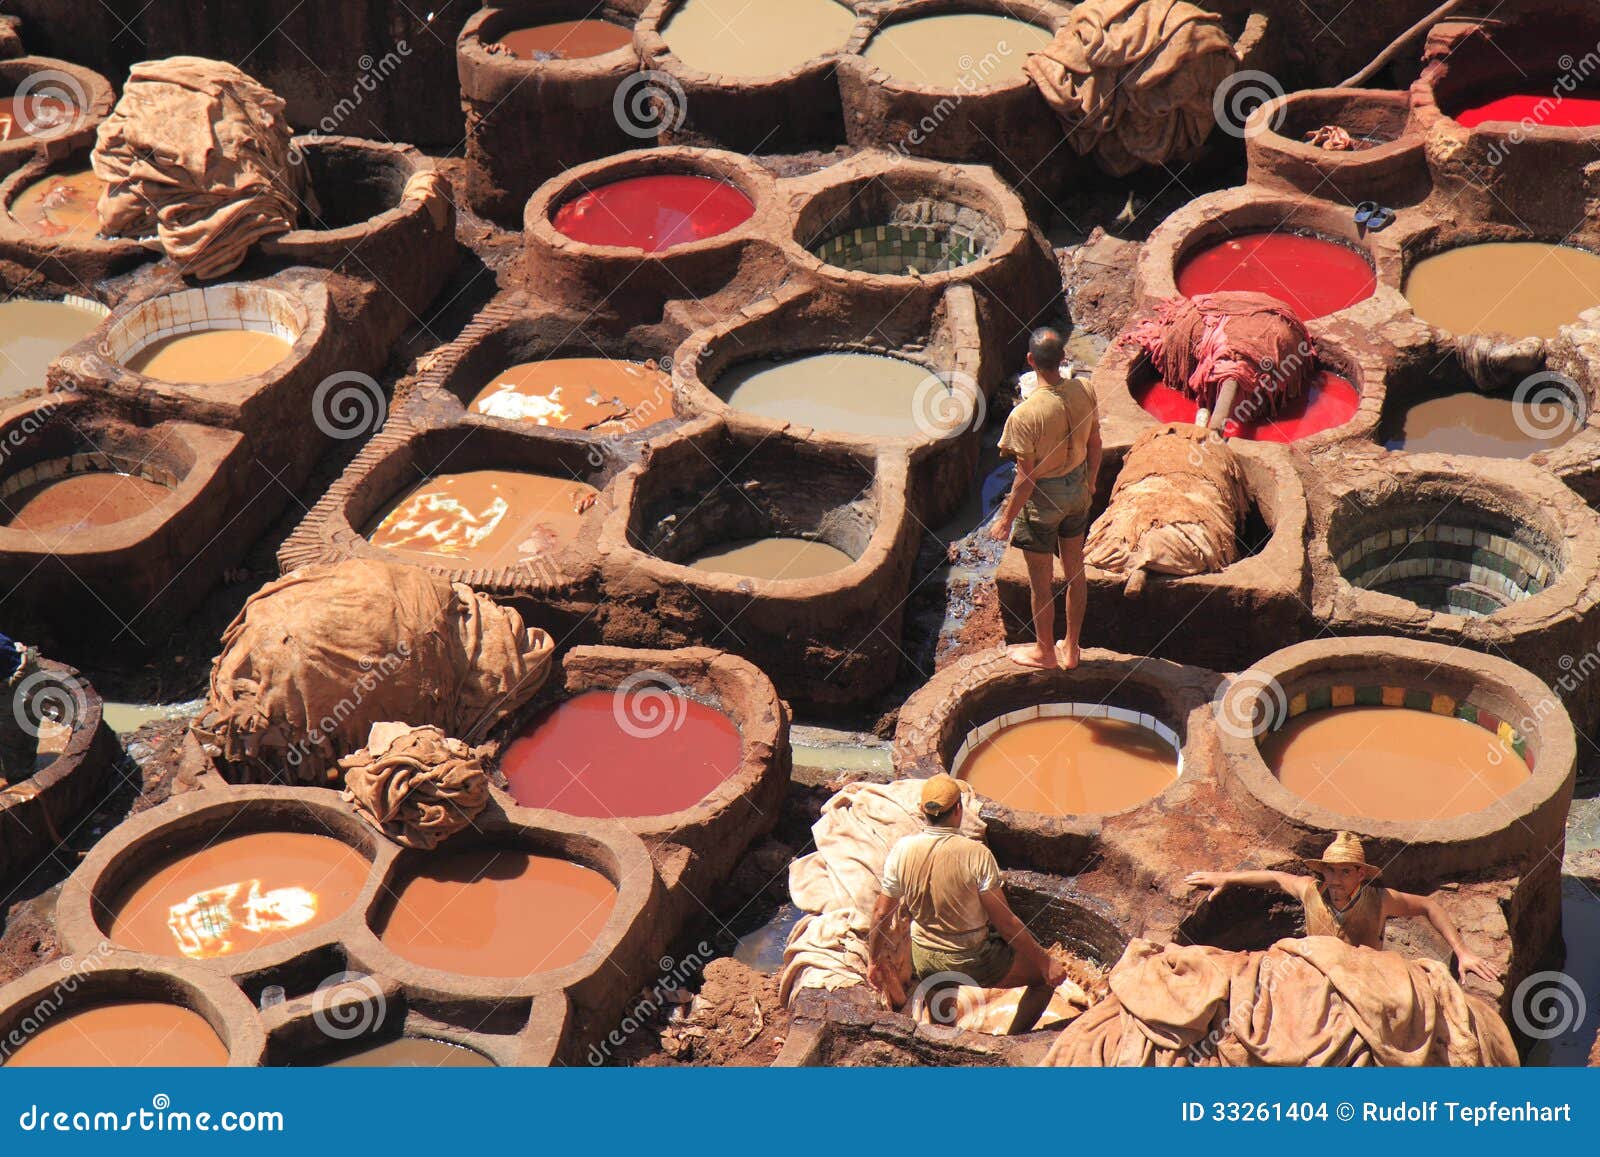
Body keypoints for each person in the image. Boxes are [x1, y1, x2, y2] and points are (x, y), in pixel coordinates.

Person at [1183, 831, 1501, 983]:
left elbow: (1430, 906)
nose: (1335, 879)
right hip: (1315, 974)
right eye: (1330, 871)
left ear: (1361, 874)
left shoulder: (1379, 900)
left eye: (1345, 872)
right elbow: (1276, 879)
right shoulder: (1311, 891)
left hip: (1365, 978)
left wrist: (1463, 953)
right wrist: (1225, 878)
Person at [867, 775, 1065, 1000]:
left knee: (942, 1008)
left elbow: (881, 913)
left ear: (922, 810)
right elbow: (1006, 924)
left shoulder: (902, 850)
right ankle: (1017, 1024)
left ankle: (941, 1019)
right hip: (973, 958)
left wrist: (873, 960)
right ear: (959, 809)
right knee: (1042, 980)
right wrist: (1045, 962)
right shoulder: (977, 854)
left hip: (925, 958)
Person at [989, 327, 1101, 669]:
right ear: (1063, 358)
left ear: (1030, 360)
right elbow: (1095, 442)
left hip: (1044, 499)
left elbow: (1025, 478)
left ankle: (1045, 652)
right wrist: (1091, 483)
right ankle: (1072, 648)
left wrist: (1006, 520)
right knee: (1075, 571)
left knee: (1041, 583)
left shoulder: (1025, 415)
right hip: (1077, 489)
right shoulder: (1085, 389)